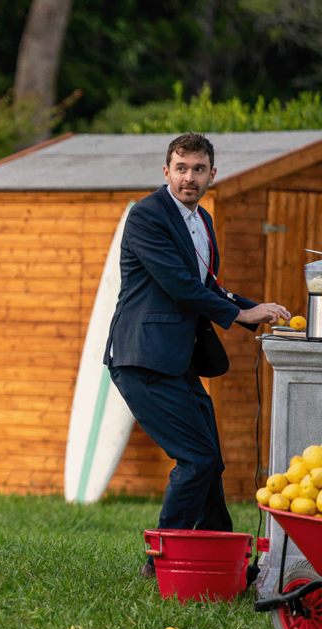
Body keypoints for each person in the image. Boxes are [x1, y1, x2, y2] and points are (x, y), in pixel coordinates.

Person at [102, 132, 290, 579]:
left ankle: (223, 556)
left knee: (210, 459)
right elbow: (178, 284)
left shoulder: (201, 219)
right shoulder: (146, 216)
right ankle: (160, 563)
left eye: (198, 169)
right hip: (142, 358)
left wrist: (254, 310)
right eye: (181, 168)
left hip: (177, 361)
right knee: (196, 458)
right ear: (165, 171)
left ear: (212, 175)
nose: (189, 177)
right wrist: (241, 314)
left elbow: (205, 284)